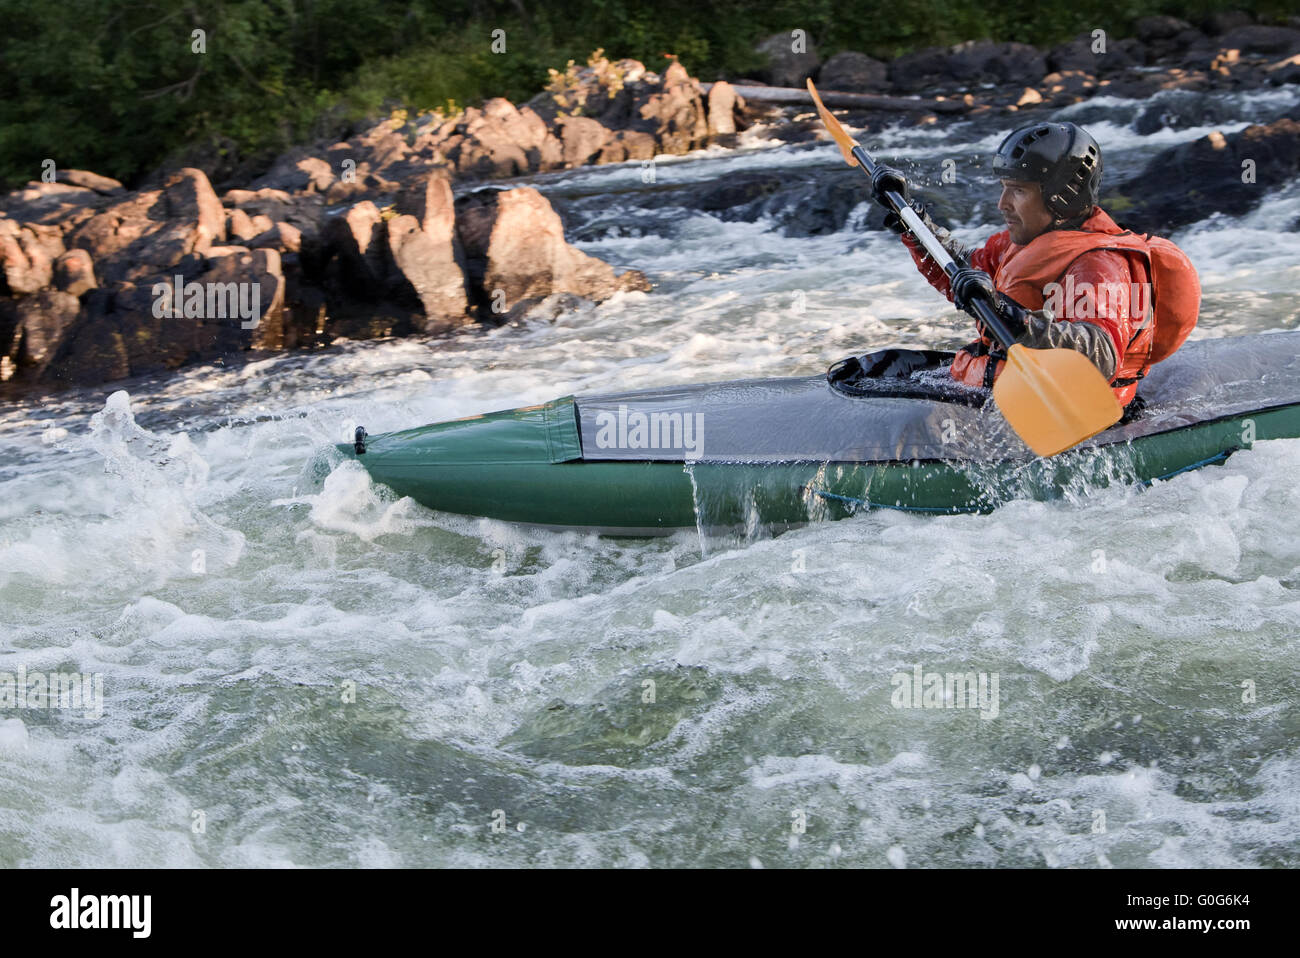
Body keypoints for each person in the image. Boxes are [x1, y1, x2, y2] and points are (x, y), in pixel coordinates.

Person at [871, 122, 1183, 415]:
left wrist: (1013, 319)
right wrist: (911, 220)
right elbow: (961, 273)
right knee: (876, 369)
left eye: (1018, 191)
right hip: (1006, 389)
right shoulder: (1022, 243)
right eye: (1005, 188)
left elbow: (1100, 355)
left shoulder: (1098, 266)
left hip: (1067, 410)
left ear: (1062, 196)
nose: (1002, 203)